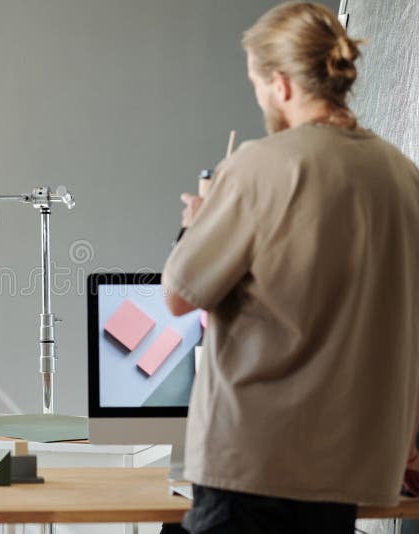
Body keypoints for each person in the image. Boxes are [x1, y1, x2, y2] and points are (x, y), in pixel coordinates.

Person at [162, 3, 419, 533]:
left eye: (258, 84)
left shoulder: (262, 164)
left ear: (281, 85)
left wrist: (198, 222)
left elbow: (180, 294)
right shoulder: (402, 175)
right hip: (351, 465)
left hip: (253, 461)